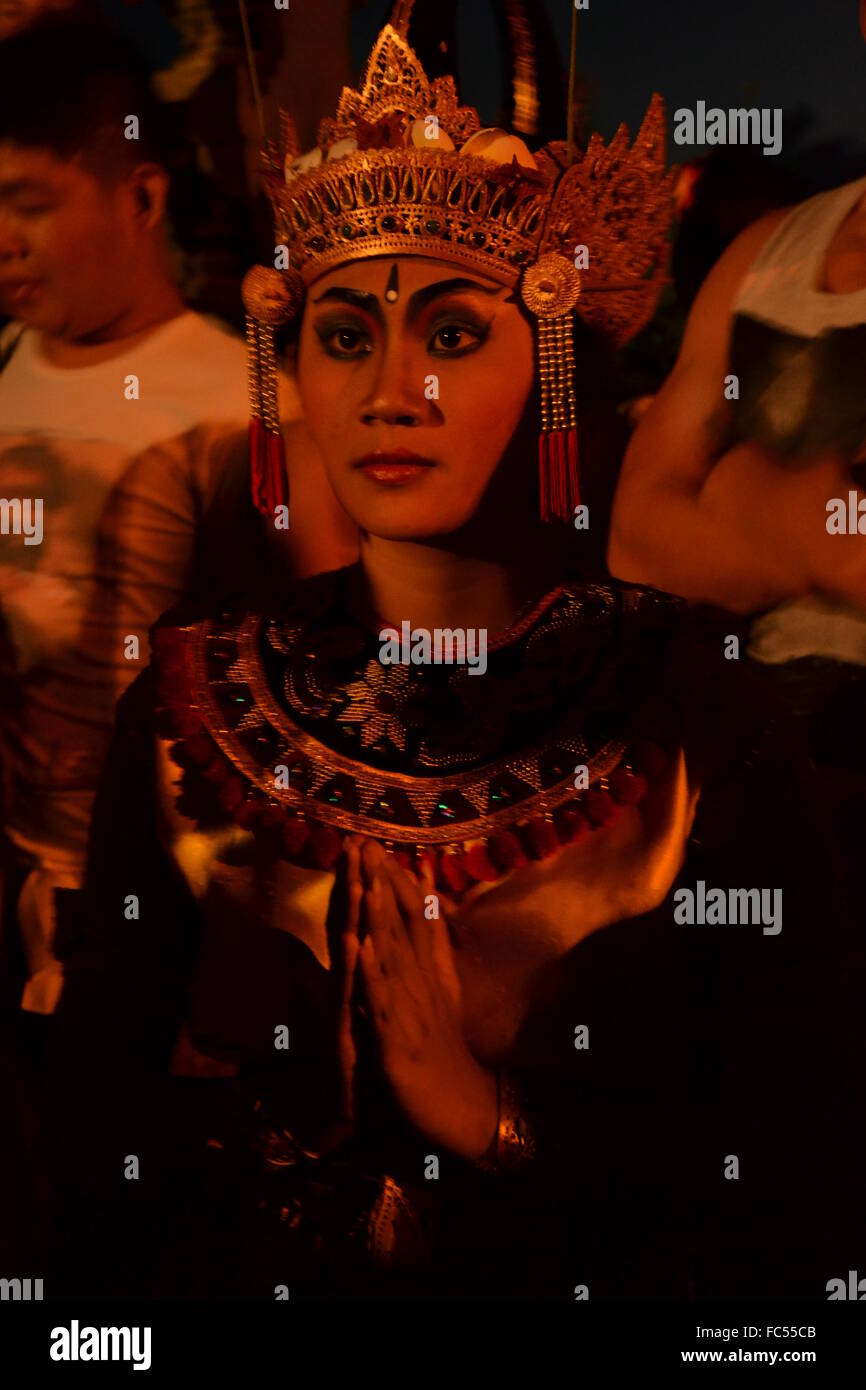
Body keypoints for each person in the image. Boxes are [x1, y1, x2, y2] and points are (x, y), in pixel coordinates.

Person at [51, 6, 859, 1300]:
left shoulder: (697, 729)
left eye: (449, 334)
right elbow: (95, 1115)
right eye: (346, 335)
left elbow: (796, 1167)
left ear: (553, 361)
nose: (388, 393)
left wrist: (494, 1117)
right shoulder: (190, 704)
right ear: (291, 365)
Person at [0, 18, 357, 1020]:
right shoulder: (6, 369)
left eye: (31, 203)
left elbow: (328, 666)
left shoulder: (242, 403)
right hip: (24, 881)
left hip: (173, 909)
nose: (4, 242)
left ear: (142, 197)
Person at [607, 4, 866, 883]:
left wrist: (749, 498)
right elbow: (640, 544)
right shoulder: (770, 257)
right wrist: (812, 526)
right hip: (764, 805)